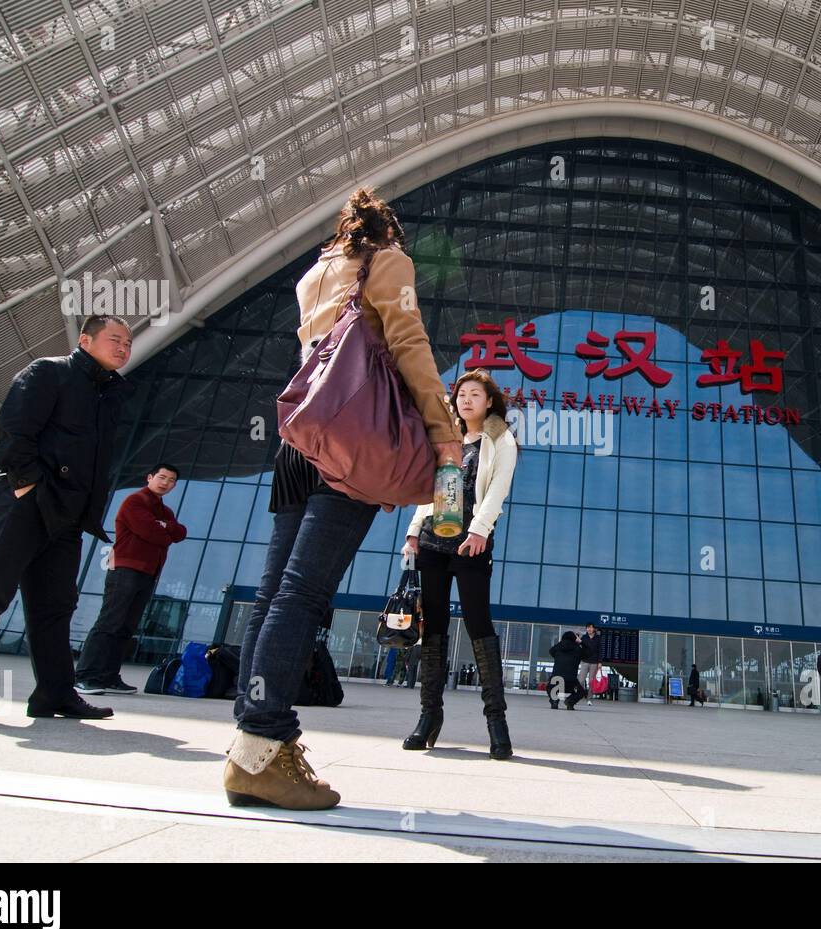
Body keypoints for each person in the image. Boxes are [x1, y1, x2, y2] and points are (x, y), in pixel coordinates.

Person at [224, 188, 461, 810]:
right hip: (352, 445)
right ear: (390, 232)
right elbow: (409, 346)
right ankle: (265, 742)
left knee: (274, 592)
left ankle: (249, 751)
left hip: (301, 440)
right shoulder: (388, 262)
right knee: (304, 592)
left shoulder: (315, 273)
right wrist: (445, 436)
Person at [0, 316, 134, 723]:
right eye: (115, 339)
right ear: (85, 340)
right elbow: (15, 429)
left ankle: (55, 695)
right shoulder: (49, 371)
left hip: (68, 514)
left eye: (128, 343)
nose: (123, 348)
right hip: (26, 501)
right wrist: (27, 485)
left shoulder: (109, 395)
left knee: (55, 608)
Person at [402, 369, 519, 759]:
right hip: (434, 542)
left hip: (472, 543)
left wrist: (480, 530)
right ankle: (428, 717)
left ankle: (496, 723)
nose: (466, 399)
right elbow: (430, 490)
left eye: (474, 394)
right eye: (461, 394)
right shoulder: (447, 440)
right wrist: (415, 530)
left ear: (489, 402)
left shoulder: (500, 439)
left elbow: (498, 489)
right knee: (432, 627)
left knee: (479, 625)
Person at [75, 463, 185, 694]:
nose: (166, 483)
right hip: (125, 570)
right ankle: (84, 676)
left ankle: (108, 676)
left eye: (171, 480)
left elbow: (180, 532)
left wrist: (165, 526)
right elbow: (154, 534)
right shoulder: (135, 501)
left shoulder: (165, 512)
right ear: (149, 477)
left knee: (126, 627)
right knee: (109, 623)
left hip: (148, 573)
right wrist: (165, 529)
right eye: (162, 477)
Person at [548, 631, 584, 710]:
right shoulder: (578, 649)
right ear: (574, 639)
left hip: (556, 681)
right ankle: (570, 702)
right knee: (581, 692)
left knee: (549, 685)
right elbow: (589, 653)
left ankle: (554, 701)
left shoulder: (558, 647)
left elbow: (551, 651)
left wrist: (561, 642)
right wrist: (580, 642)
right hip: (571, 683)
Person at [579, 622, 601, 708]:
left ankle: (589, 699)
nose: (589, 629)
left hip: (594, 662)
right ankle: (579, 695)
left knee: (591, 682)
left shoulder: (598, 638)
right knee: (580, 680)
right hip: (584, 661)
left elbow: (600, 651)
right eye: (588, 627)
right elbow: (581, 648)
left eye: (591, 627)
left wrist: (600, 662)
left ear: (594, 629)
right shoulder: (584, 637)